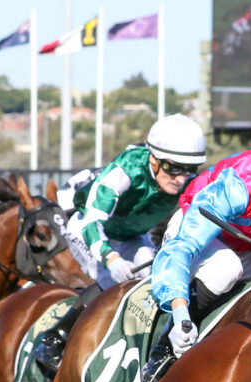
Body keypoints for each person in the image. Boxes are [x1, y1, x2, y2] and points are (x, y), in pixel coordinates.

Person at [139, 126, 251, 382]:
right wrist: (179, 315)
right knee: (226, 268)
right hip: (201, 226)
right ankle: (164, 348)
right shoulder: (246, 183)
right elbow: (181, 247)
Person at [49, 115, 206, 342]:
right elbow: (92, 223)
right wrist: (111, 258)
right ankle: (56, 336)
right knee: (110, 280)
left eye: (188, 169)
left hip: (132, 235)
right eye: (173, 168)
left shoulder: (189, 182)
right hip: (87, 227)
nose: (180, 179)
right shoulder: (126, 169)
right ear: (154, 159)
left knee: (154, 280)